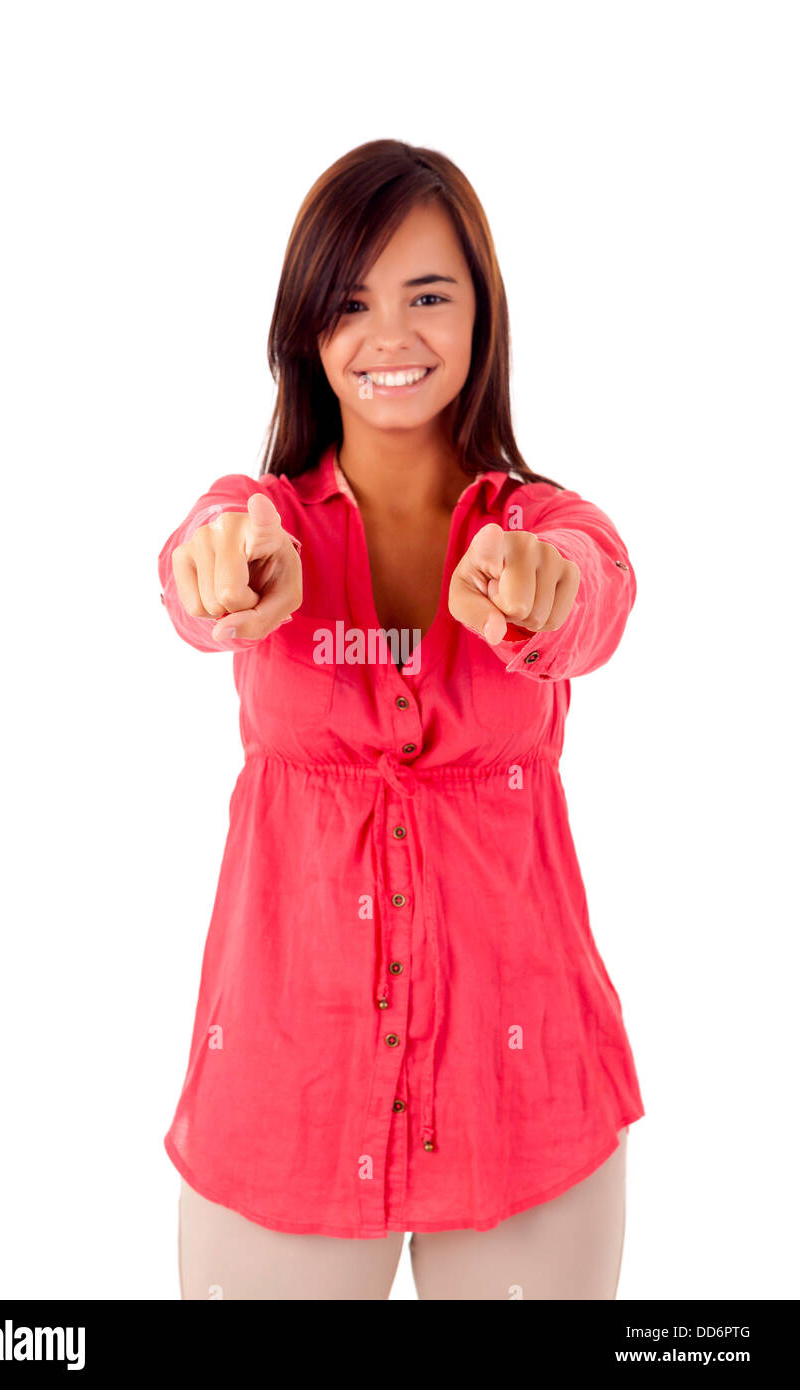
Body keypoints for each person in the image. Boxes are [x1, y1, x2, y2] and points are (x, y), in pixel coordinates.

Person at [158, 139, 644, 1300]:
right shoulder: (256, 519)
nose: (389, 336)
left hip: (523, 1102)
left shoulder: (546, 524)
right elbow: (195, 571)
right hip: (288, 1096)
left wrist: (542, 588)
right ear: (307, 334)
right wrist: (221, 572)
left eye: (428, 295)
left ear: (481, 316)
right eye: (350, 302)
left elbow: (594, 593)